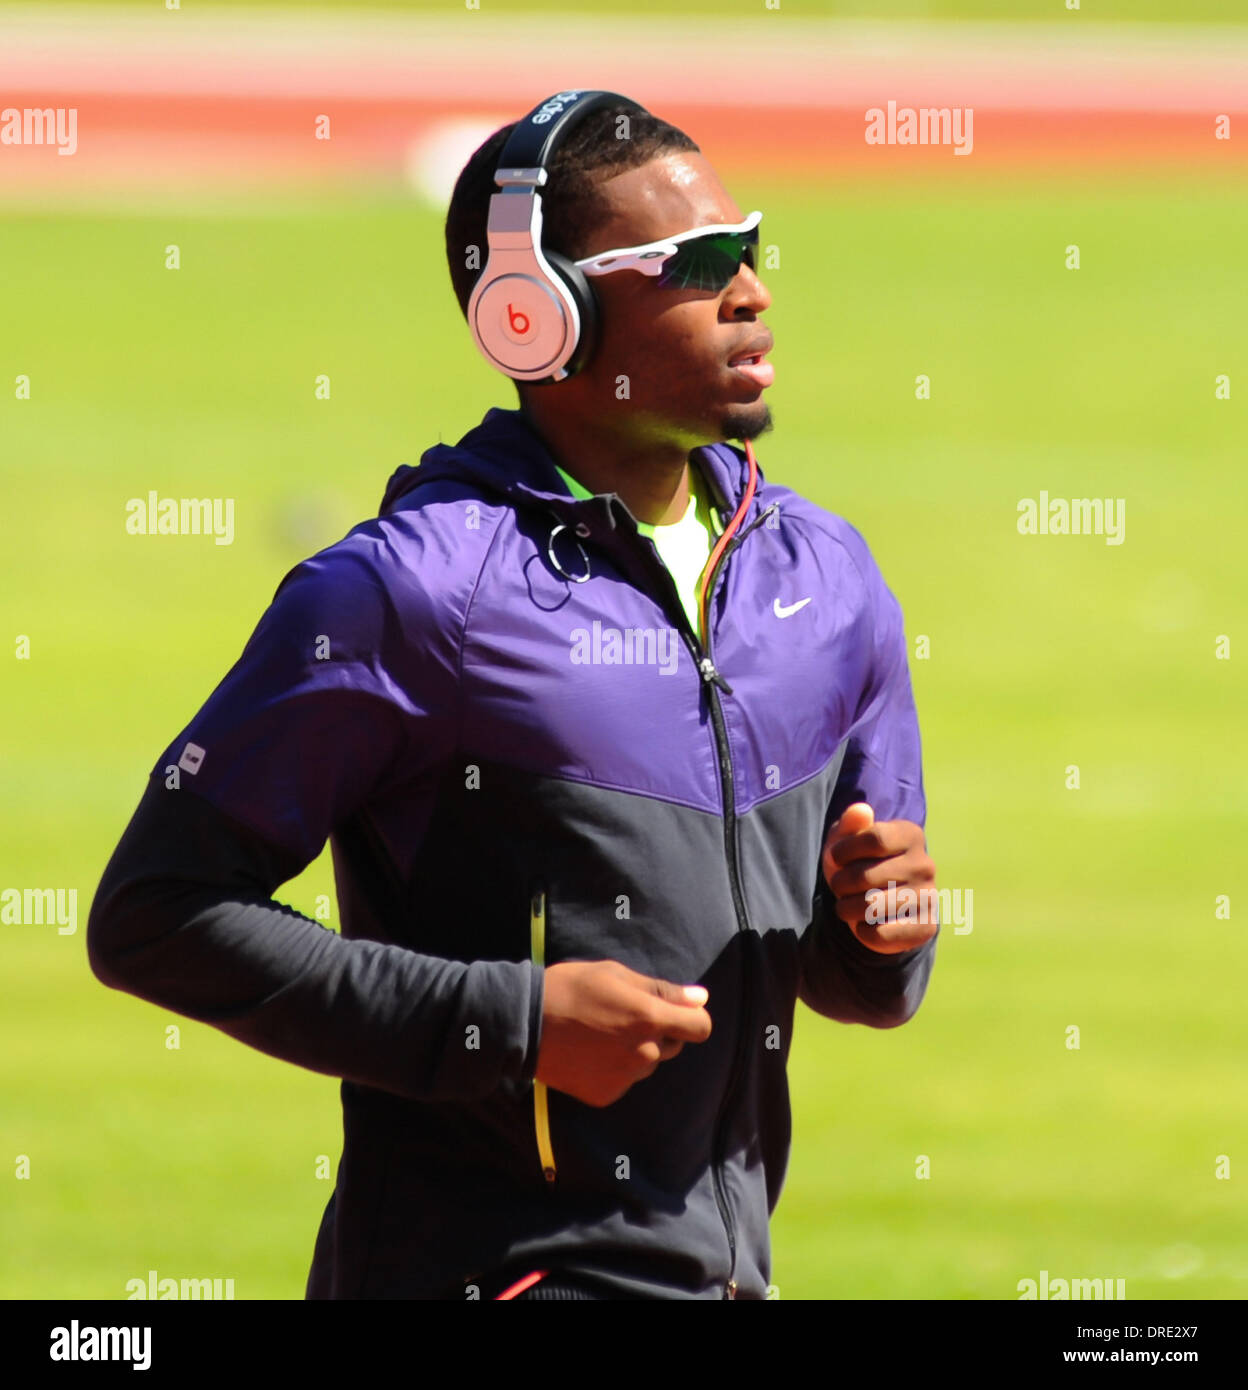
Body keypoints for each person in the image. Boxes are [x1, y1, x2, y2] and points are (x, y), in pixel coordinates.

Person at [87, 90, 940, 1301]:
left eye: (751, 248)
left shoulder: (829, 577)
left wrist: (883, 926)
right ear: (540, 316)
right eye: (695, 265)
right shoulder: (409, 591)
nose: (751, 291)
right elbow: (154, 916)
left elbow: (867, 982)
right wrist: (512, 1022)